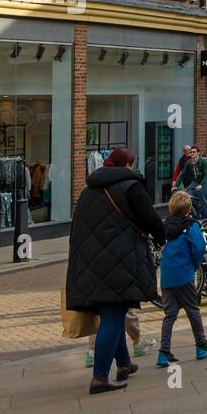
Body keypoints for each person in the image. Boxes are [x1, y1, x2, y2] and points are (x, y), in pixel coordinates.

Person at [66, 147, 166, 395]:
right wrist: (163, 238)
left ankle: (124, 364)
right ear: (128, 165)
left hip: (90, 264)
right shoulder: (131, 187)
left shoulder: (88, 191)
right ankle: (99, 377)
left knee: (113, 312)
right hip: (120, 262)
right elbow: (151, 219)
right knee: (112, 316)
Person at [157, 190, 207, 367]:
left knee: (169, 315)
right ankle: (201, 345)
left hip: (167, 277)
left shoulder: (165, 226)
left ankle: (163, 352)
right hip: (184, 275)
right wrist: (194, 265)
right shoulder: (191, 226)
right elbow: (199, 248)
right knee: (193, 310)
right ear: (188, 209)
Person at [174, 146, 207, 220]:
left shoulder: (204, 162)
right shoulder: (189, 163)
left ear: (198, 153)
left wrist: (201, 185)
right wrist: (176, 186)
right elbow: (182, 174)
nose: (192, 154)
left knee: (203, 199)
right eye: (191, 152)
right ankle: (195, 216)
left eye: (194, 152)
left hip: (204, 182)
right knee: (188, 197)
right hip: (195, 182)